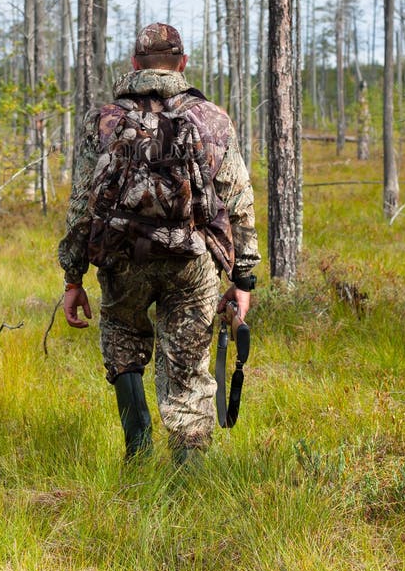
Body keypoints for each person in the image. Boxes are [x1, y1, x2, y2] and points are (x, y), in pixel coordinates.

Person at [58, 23, 260, 464]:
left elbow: (82, 204)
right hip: (191, 261)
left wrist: (73, 277)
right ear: (182, 63)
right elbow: (239, 199)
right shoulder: (212, 119)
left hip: (121, 257)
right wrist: (243, 278)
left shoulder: (104, 119)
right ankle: (189, 473)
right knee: (187, 367)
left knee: (123, 340)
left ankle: (139, 450)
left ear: (135, 64)